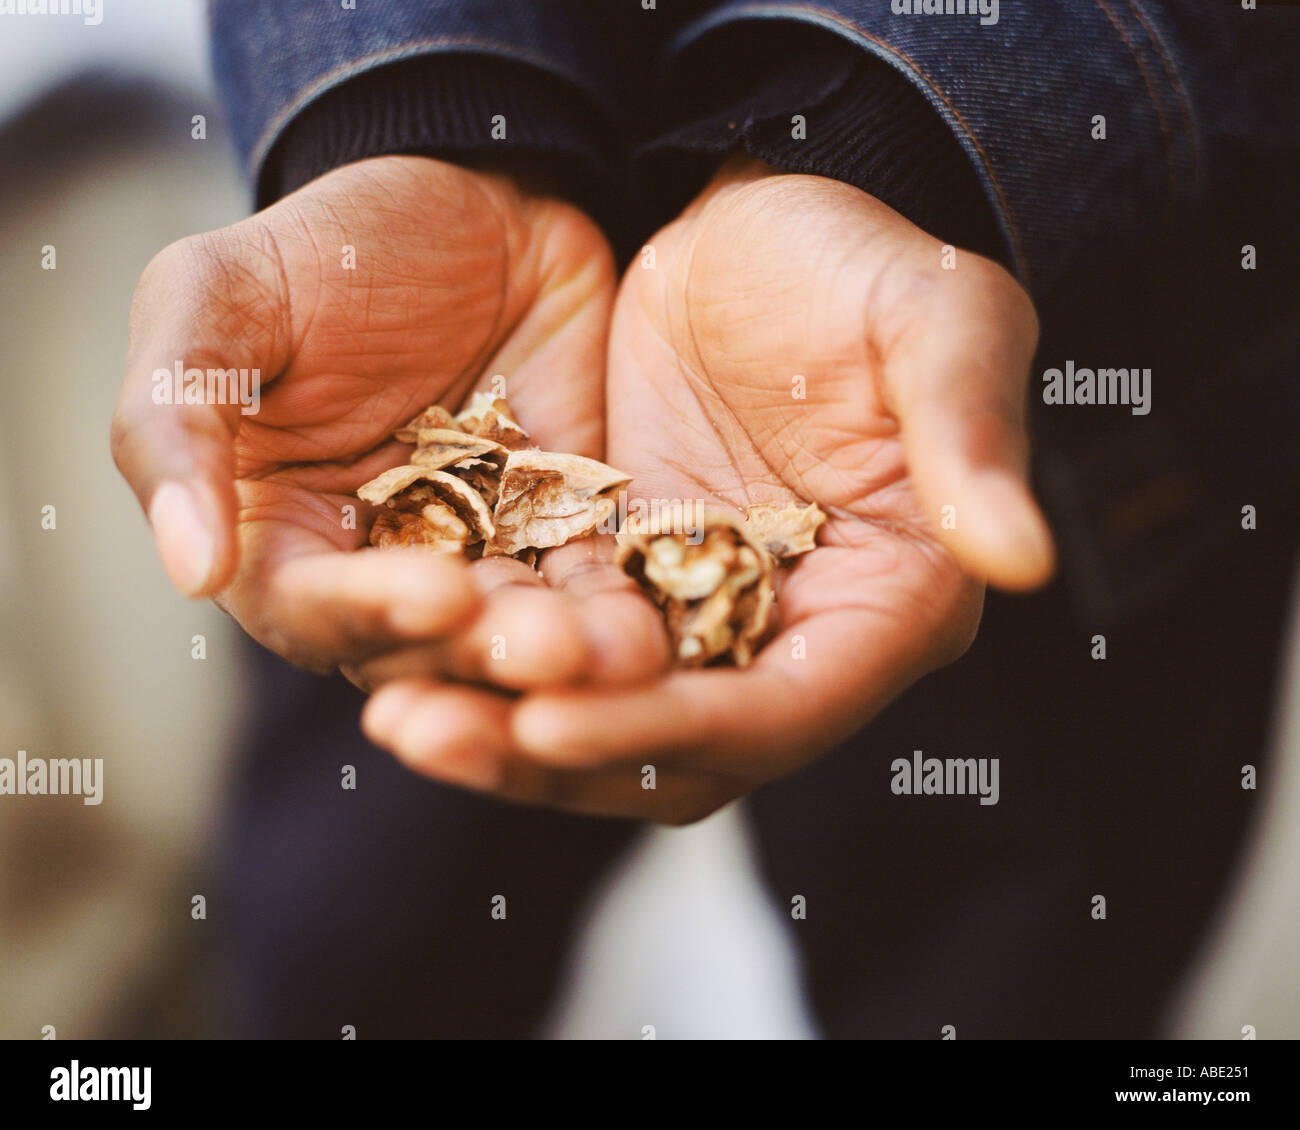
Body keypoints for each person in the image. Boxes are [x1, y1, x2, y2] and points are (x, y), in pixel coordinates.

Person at [112, 2, 1299, 1037]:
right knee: (358, 936)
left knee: (1002, 971)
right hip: (390, 390)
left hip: (1064, 395)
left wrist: (893, 129)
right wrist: (409, 93)